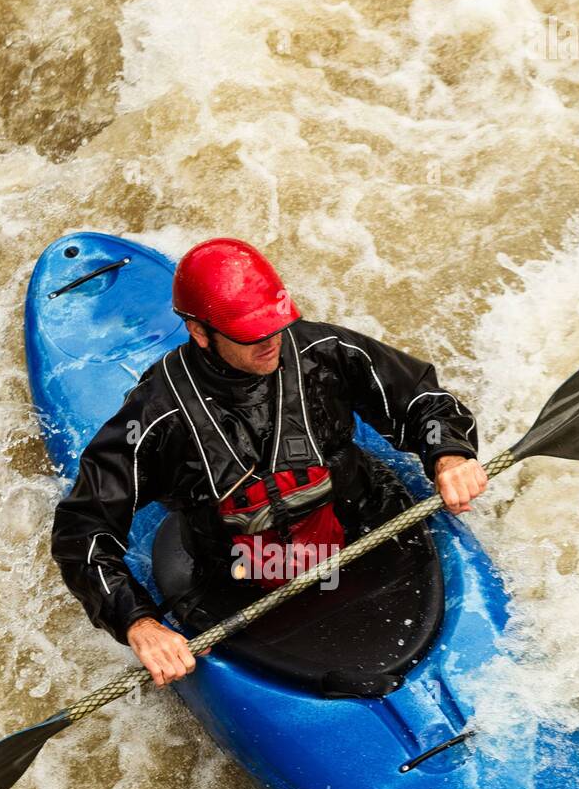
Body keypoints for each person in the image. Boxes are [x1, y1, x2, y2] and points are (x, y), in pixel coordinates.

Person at [51, 238, 487, 687]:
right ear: (200, 333)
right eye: (253, 335)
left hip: (366, 533)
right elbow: (82, 529)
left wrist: (449, 454)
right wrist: (139, 624)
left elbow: (424, 401)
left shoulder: (325, 350)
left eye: (276, 326)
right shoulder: (157, 417)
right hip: (243, 582)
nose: (272, 343)